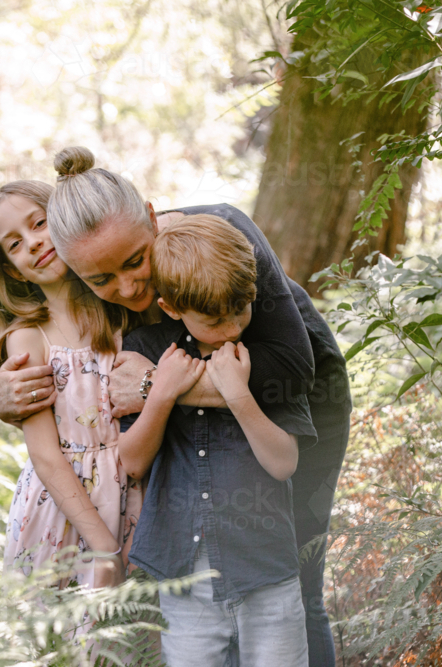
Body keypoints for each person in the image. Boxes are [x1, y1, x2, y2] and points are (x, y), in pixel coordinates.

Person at [0, 147, 353, 666]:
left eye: (137, 261)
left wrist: (157, 387)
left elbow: (291, 368)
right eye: (103, 281)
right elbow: (62, 358)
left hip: (295, 400)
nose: (129, 286)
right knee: (205, 579)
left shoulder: (220, 232)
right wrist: (7, 398)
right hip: (189, 425)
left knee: (288, 577)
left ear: (152, 215)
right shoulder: (88, 264)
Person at [115, 213, 316, 664]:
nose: (230, 329)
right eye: (213, 319)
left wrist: (239, 395)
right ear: (170, 307)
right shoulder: (147, 351)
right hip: (182, 576)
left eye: (239, 312)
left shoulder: (264, 357)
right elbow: (131, 462)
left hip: (264, 566)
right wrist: (162, 392)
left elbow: (284, 463)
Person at [0, 180, 198, 590]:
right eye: (13, 244)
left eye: (39, 223)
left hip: (144, 499)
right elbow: (45, 456)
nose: (32, 242)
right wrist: (101, 545)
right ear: (10, 268)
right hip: (65, 514)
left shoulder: (127, 311)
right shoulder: (29, 339)